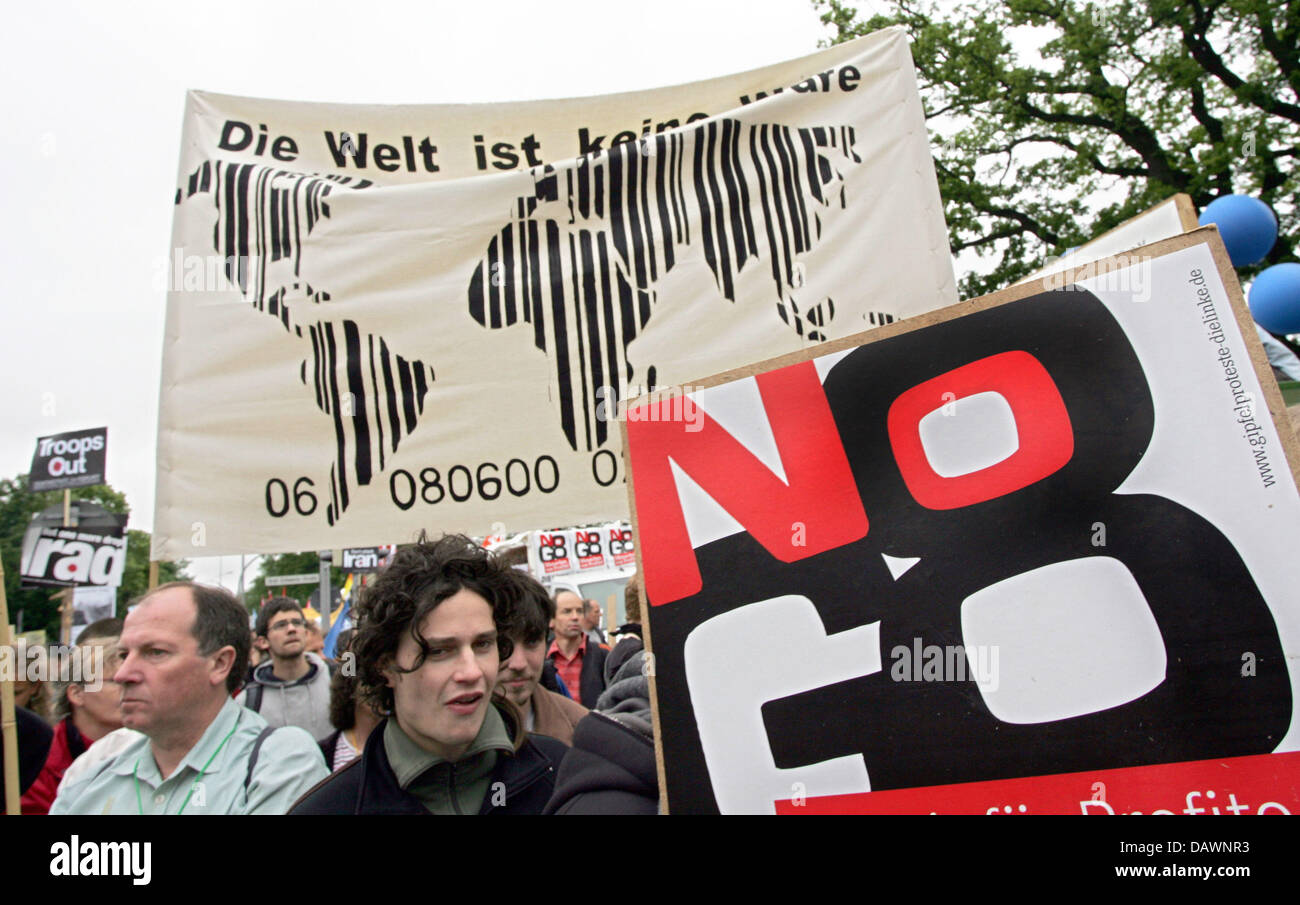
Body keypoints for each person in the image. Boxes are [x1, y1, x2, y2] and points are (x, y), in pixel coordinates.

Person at [289, 534, 568, 815]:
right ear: (386, 665)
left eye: (483, 644)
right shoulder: (328, 808)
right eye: (439, 651)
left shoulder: (564, 778)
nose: (471, 672)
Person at [51, 582, 329, 814]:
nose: (124, 674)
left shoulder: (279, 762)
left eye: (155, 652)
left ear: (220, 663)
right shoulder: (89, 781)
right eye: (125, 655)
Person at [21, 618, 125, 814]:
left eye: (131, 681)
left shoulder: (154, 745)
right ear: (77, 693)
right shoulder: (40, 755)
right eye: (115, 681)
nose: (127, 690)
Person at [495, 571, 589, 744]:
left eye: (531, 642)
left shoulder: (583, 729)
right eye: (503, 646)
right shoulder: (449, 740)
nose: (518, 663)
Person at [236, 599, 333, 741]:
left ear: (305, 633)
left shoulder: (335, 680)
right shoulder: (249, 702)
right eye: (281, 625)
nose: (291, 629)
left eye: (297, 623)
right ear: (263, 642)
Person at [317, 630, 381, 771]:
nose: (378, 687)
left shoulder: (406, 747)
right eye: (368, 678)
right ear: (351, 687)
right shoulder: (324, 752)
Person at [548, 589, 608, 708]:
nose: (575, 617)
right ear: (551, 620)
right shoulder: (541, 659)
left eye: (579, 611)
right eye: (567, 612)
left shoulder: (603, 655)